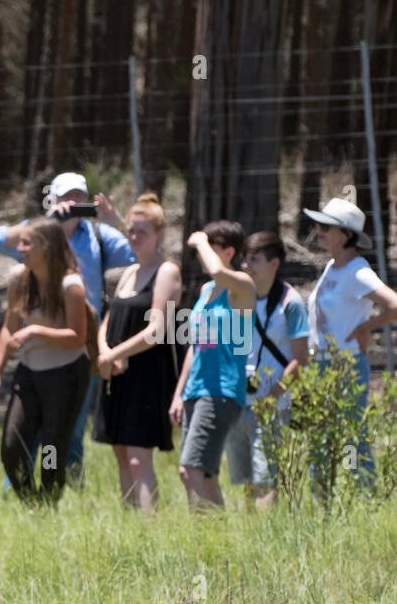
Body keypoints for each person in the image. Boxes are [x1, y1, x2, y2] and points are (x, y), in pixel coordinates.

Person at [0, 171, 133, 483]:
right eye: (66, 196)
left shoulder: (95, 236)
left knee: (65, 432)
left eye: (79, 197)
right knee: (22, 435)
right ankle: (20, 489)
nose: (73, 203)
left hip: (74, 351)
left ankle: (62, 487)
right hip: (34, 358)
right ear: (51, 200)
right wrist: (46, 220)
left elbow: (136, 253)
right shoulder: (34, 239)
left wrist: (113, 221)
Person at [0, 218, 90, 505]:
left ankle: (48, 504)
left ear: (47, 247)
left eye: (27, 243)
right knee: (11, 446)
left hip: (66, 374)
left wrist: (35, 330)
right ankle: (32, 503)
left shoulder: (70, 285)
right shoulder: (19, 278)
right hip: (30, 372)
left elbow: (77, 337)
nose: (20, 248)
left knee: (52, 449)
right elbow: (9, 328)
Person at [91, 191, 182, 512]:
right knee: (119, 451)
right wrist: (104, 351)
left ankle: (149, 531)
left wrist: (115, 355)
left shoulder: (167, 271)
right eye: (129, 230)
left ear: (159, 234)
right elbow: (109, 320)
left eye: (141, 232)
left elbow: (156, 331)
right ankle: (131, 525)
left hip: (147, 375)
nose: (133, 237)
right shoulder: (129, 272)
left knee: (137, 456)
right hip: (116, 374)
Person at [302, 198, 397, 480]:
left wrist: (365, 328)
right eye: (319, 225)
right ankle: (328, 495)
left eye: (326, 227)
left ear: (346, 235)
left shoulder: (357, 271)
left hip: (346, 364)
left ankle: (360, 488)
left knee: (350, 435)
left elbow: (393, 305)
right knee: (321, 433)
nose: (318, 231)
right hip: (322, 364)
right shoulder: (334, 266)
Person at [168, 221, 256, 510]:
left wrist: (200, 240)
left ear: (229, 252)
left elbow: (218, 270)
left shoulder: (242, 287)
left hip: (222, 391)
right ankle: (217, 543)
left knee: (191, 469)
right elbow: (196, 345)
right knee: (202, 473)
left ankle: (206, 539)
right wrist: (180, 392)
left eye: (212, 248)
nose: (202, 255)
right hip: (197, 388)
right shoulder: (207, 291)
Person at [225, 232, 309, 510]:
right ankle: (251, 542)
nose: (245, 266)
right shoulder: (238, 298)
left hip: (271, 404)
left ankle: (265, 539)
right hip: (240, 401)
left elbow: (301, 359)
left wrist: (273, 396)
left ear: (274, 263)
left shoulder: (291, 303)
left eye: (254, 260)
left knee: (266, 477)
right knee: (247, 479)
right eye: (244, 259)